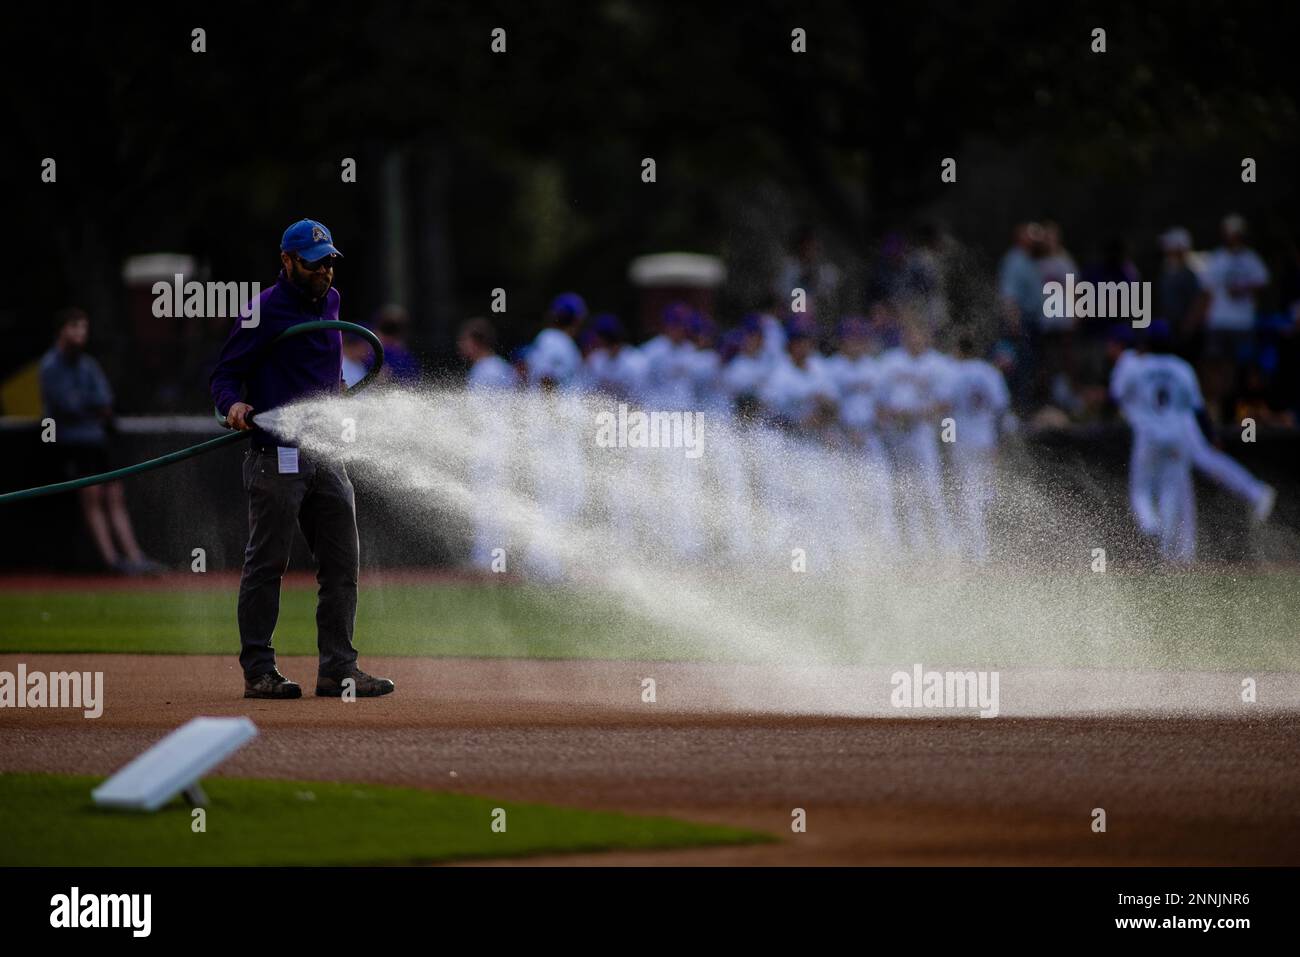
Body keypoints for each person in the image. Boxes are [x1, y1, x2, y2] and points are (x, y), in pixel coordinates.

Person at [210, 218, 394, 700]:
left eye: (330, 262)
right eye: (314, 265)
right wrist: (233, 406)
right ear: (287, 261)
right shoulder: (262, 310)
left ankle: (339, 669)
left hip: (325, 454)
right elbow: (224, 376)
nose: (325, 273)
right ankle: (259, 671)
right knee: (268, 564)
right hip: (276, 456)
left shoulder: (332, 302)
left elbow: (324, 372)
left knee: (341, 564)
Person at [39, 308, 163, 575]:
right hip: (73, 443)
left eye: (83, 328)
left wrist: (87, 406)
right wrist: (90, 407)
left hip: (97, 440)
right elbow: (65, 406)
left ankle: (135, 557)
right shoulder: (50, 366)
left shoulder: (88, 365)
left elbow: (105, 402)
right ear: (62, 330)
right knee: (92, 496)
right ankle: (112, 561)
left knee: (114, 494)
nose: (80, 334)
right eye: (74, 327)